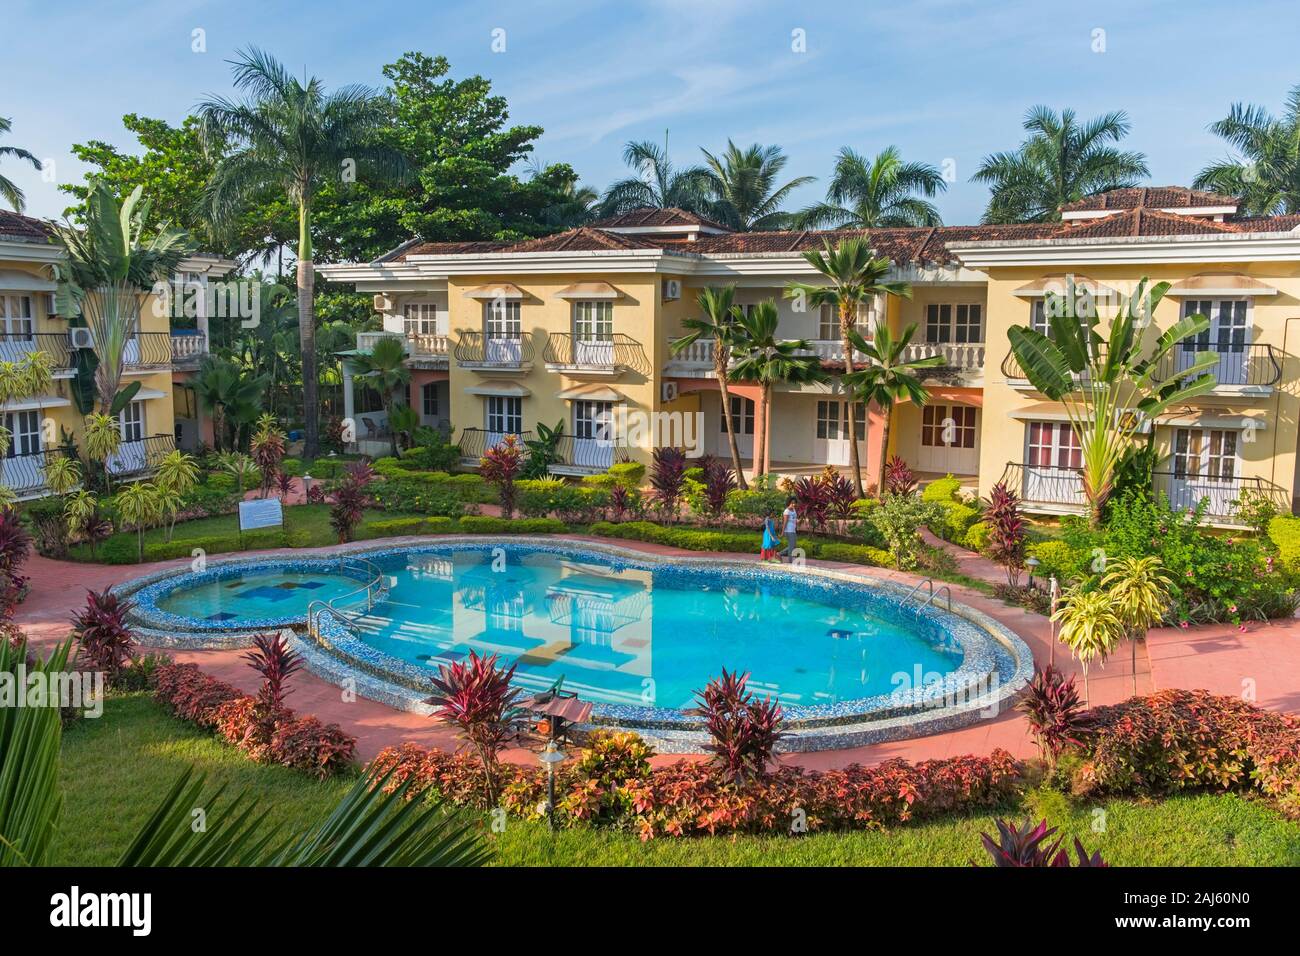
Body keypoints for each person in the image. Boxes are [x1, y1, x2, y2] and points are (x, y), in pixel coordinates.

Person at [779, 496, 799, 561]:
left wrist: (797, 523)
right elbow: (785, 522)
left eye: (795, 503)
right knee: (791, 546)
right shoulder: (786, 511)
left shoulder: (794, 510)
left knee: (793, 546)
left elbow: (794, 519)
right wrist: (782, 533)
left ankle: (779, 554)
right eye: (792, 503)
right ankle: (790, 560)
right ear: (788, 503)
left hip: (793, 530)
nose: (794, 504)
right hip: (788, 531)